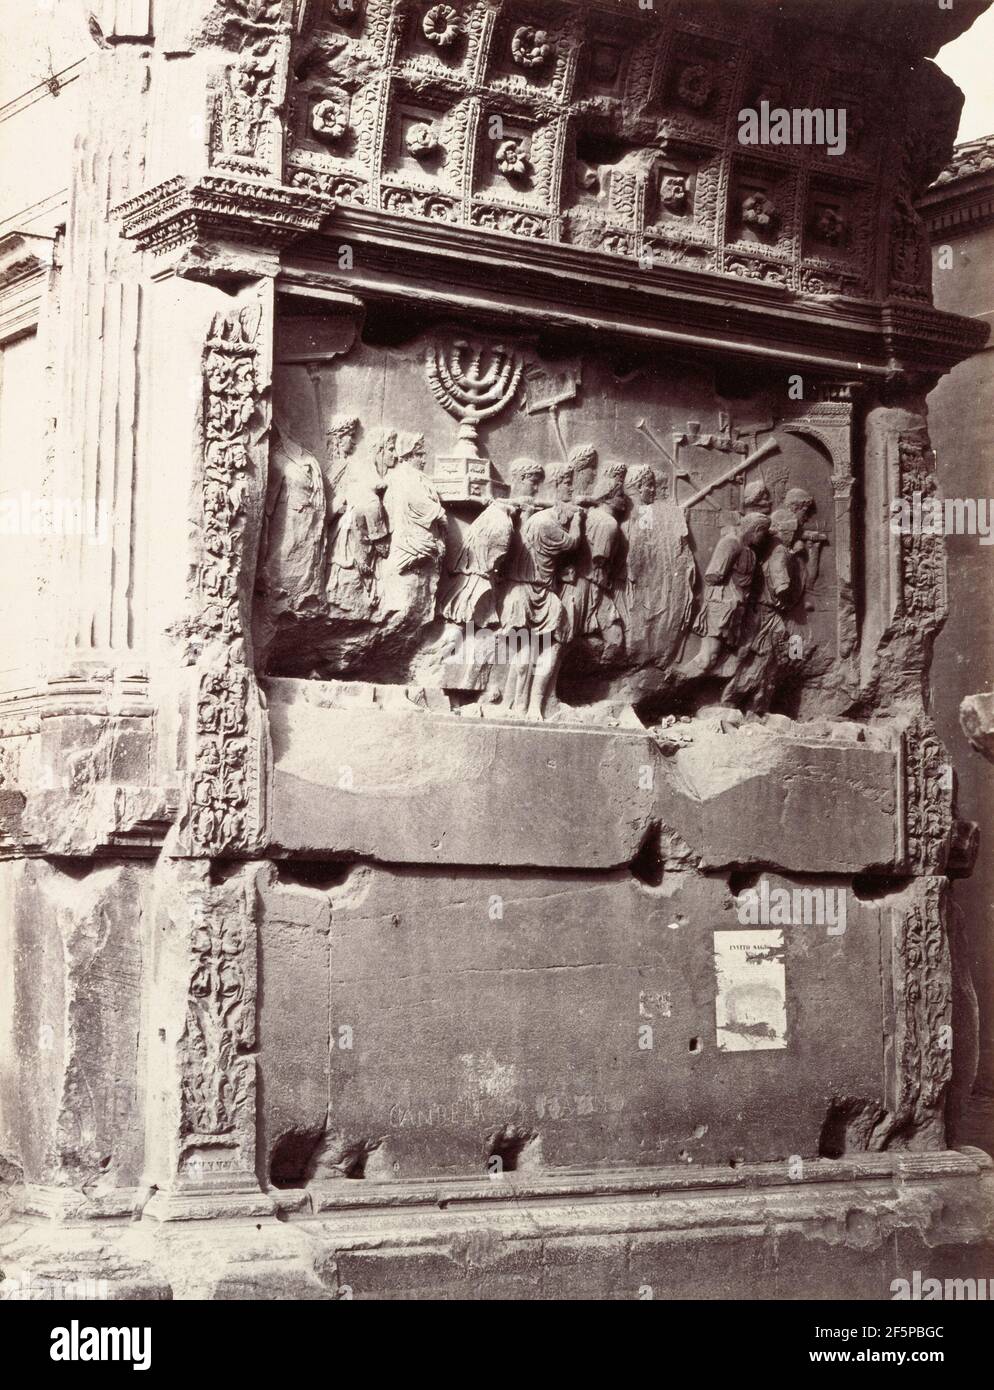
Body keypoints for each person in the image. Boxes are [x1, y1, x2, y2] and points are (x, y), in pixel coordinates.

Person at [500, 460, 583, 719]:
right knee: (527, 652)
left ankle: (528, 704)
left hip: (540, 593)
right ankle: (523, 705)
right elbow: (572, 544)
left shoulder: (530, 520)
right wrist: (578, 520)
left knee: (551, 645)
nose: (567, 519)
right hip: (527, 594)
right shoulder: (547, 524)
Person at [677, 512, 771, 679]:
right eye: (764, 533)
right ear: (757, 529)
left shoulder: (750, 551)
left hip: (735, 609)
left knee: (718, 658)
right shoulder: (730, 543)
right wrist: (728, 594)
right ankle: (674, 681)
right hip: (722, 606)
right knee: (708, 659)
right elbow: (713, 575)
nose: (764, 538)